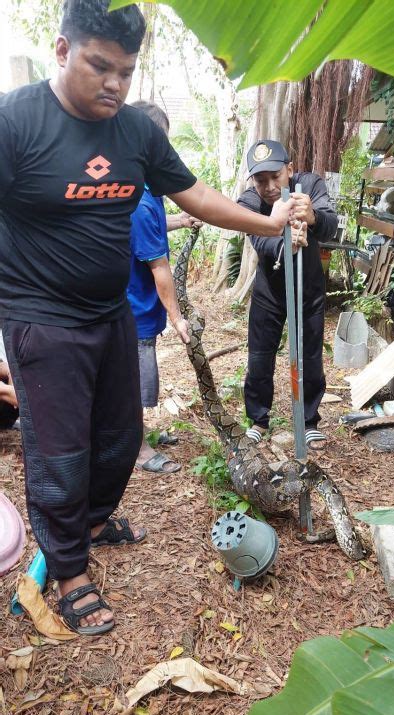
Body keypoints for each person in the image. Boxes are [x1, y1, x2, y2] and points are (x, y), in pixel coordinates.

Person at [0, 1, 300, 635]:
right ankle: (70, 569)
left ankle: (90, 518)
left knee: (120, 438)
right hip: (40, 317)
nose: (114, 83)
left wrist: (268, 222)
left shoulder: (135, 131)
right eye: (100, 66)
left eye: (126, 72)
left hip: (110, 314)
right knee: (59, 453)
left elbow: (194, 195)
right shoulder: (15, 121)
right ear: (61, 51)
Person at [237, 139, 338, 450]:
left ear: (289, 170)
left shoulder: (310, 185)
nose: (268, 187)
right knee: (259, 358)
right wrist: (283, 240)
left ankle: (308, 421)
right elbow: (257, 239)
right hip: (269, 292)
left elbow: (331, 225)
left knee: (310, 356)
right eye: (260, 179)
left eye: (275, 177)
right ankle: (258, 419)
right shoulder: (248, 202)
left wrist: (313, 217)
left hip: (308, 291)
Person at [128, 101, 201, 475]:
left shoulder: (147, 190)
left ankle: (140, 436)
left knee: (141, 379)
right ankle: (138, 449)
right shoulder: (137, 201)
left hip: (141, 309)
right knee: (135, 384)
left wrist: (181, 219)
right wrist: (177, 317)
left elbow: (156, 223)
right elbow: (159, 267)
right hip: (133, 312)